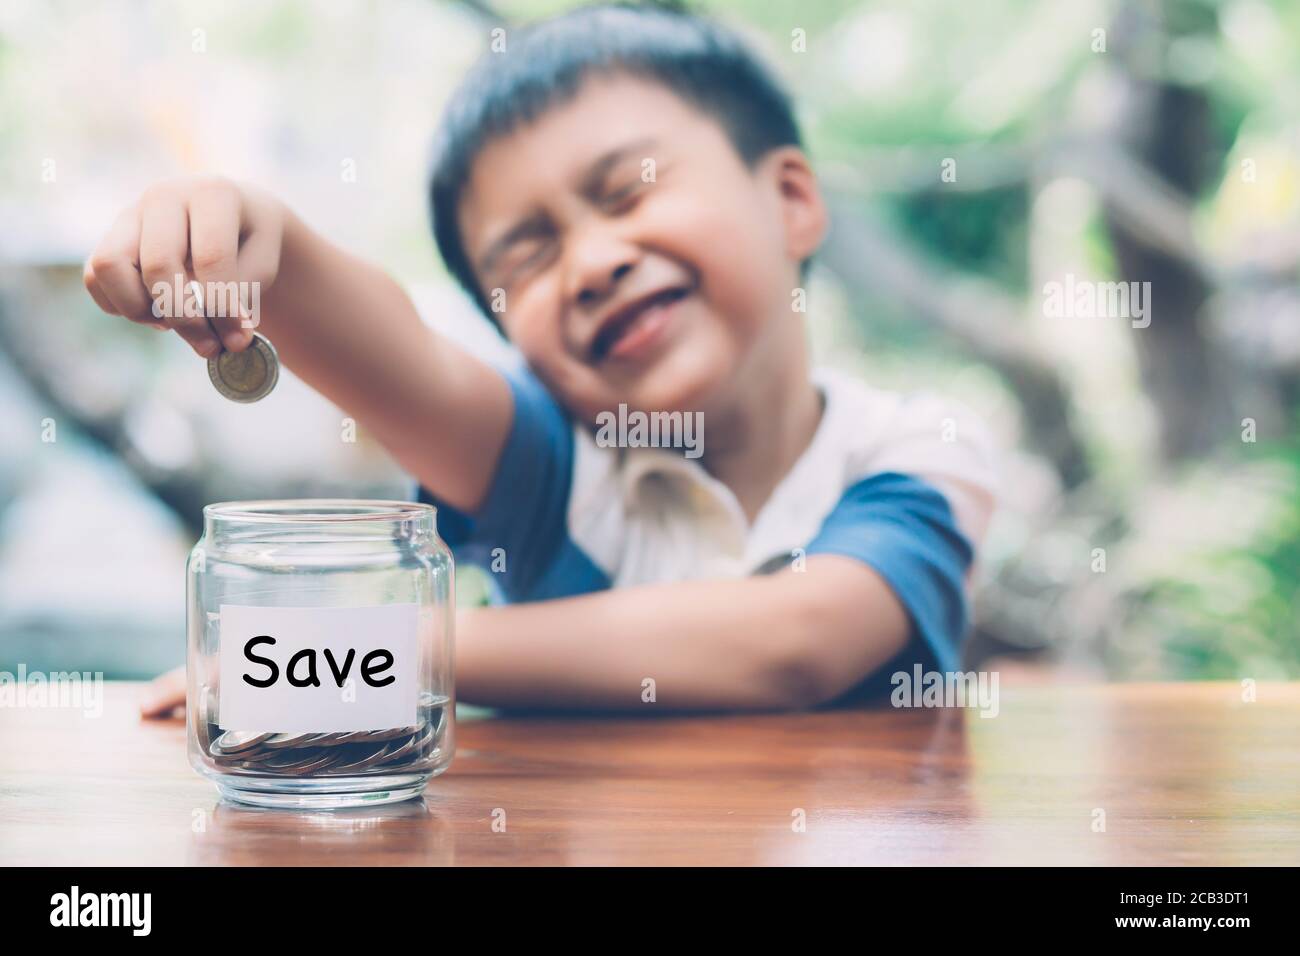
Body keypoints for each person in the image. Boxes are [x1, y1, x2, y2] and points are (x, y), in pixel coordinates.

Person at [85, 2, 997, 715]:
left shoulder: (916, 455)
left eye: (629, 190)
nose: (594, 263)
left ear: (792, 197)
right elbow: (400, 362)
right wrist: (256, 232)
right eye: (526, 258)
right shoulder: (546, 468)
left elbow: (797, 641)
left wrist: (361, 654)